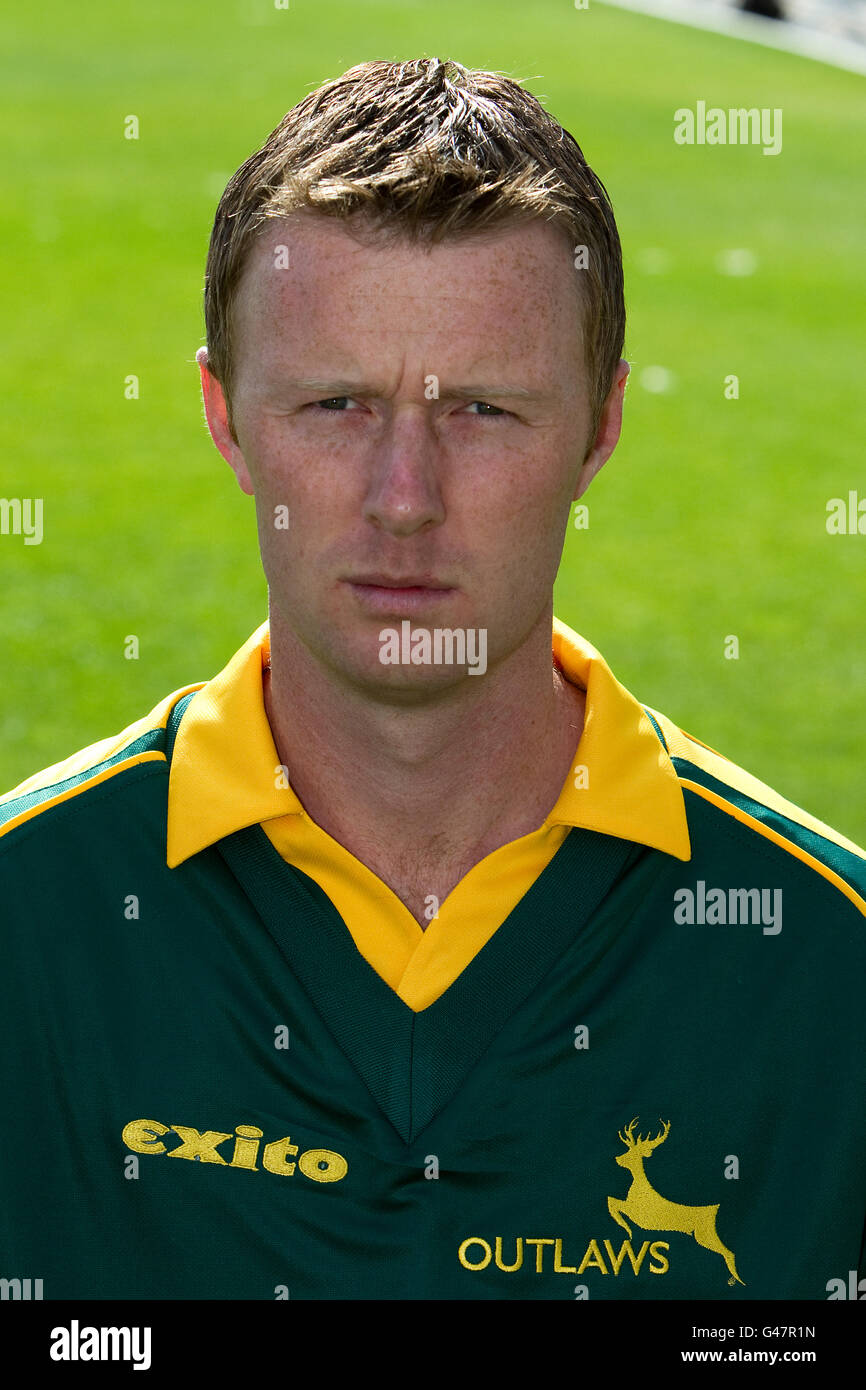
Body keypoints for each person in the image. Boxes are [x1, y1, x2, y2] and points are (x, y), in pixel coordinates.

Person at [0, 57, 862, 1303]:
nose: (404, 499)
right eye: (335, 402)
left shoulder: (825, 962)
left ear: (600, 429)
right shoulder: (31, 922)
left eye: (483, 412)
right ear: (226, 416)